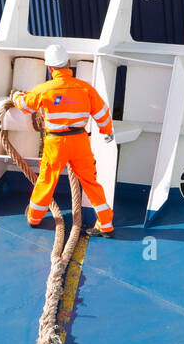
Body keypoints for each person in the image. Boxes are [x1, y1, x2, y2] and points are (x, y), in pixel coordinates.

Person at [11, 42, 116, 237]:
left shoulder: (44, 90)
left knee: (47, 180)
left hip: (56, 144)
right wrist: (106, 131)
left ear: (50, 68)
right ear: (68, 63)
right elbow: (102, 112)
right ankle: (106, 224)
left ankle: (34, 217)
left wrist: (16, 95)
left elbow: (24, 106)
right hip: (80, 142)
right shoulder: (85, 89)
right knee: (90, 182)